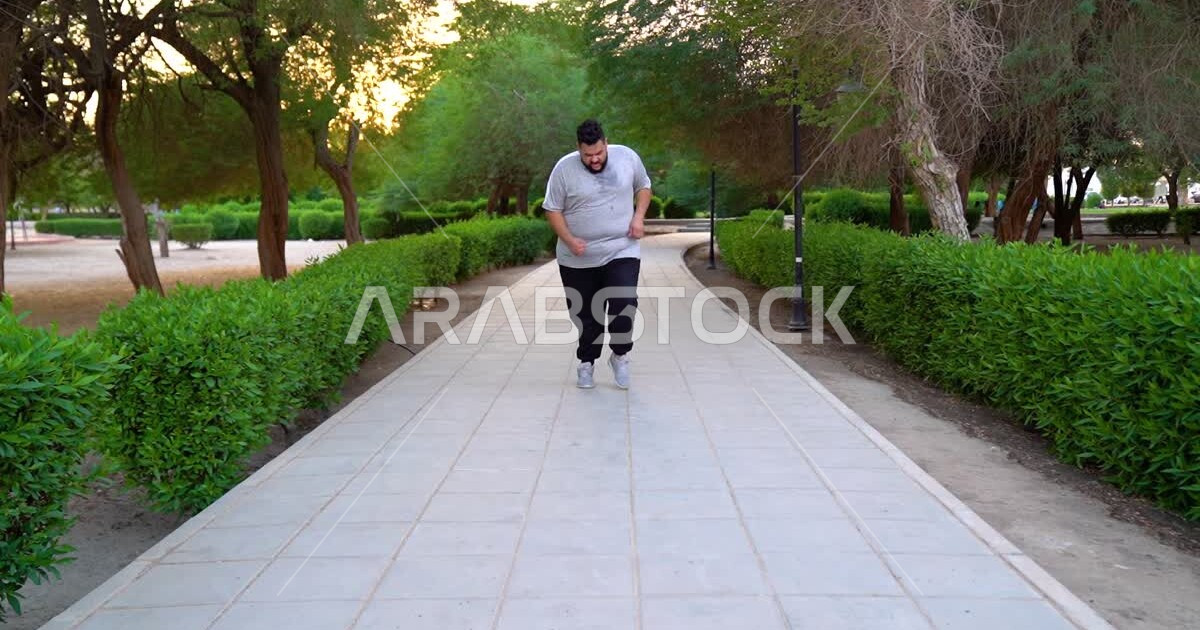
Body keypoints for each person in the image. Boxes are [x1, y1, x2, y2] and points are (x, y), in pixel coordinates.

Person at [542, 119, 652, 389]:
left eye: (599, 153)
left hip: (621, 248)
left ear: (606, 142)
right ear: (578, 148)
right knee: (586, 316)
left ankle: (620, 355)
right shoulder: (563, 169)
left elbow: (644, 186)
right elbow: (552, 209)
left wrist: (638, 217)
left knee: (624, 305)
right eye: (587, 155)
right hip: (577, 258)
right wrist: (569, 240)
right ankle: (587, 363)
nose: (594, 159)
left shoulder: (626, 157)